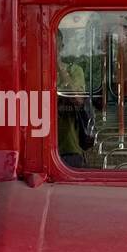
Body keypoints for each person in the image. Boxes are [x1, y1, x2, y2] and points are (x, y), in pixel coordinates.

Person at [56, 31, 95, 167]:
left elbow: (77, 99)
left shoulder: (74, 70)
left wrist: (59, 66)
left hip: (69, 147)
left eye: (55, 44)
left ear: (61, 46)